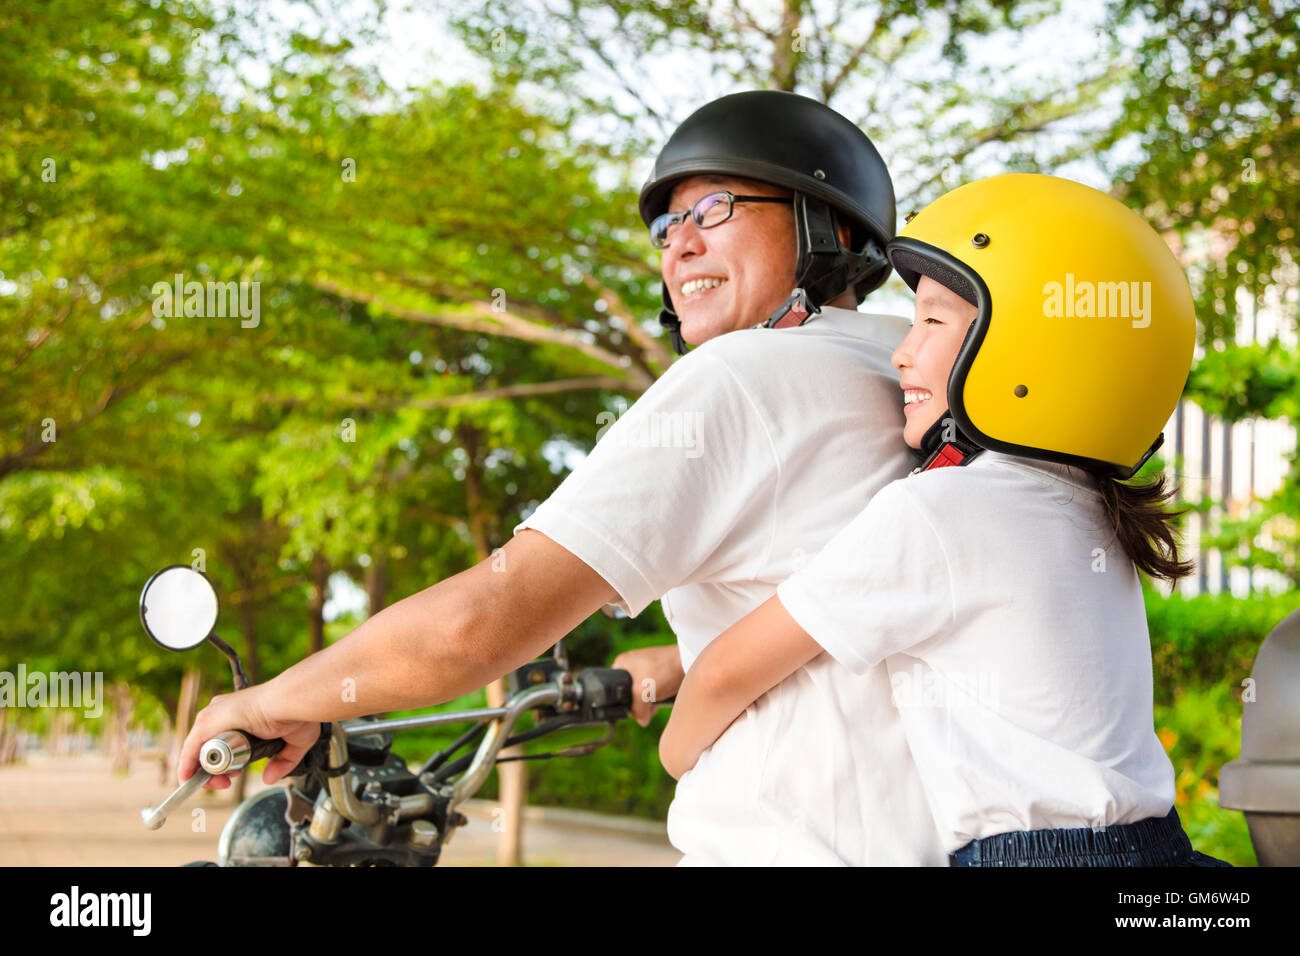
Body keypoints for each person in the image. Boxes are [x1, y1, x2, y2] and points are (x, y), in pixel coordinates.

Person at [179, 90, 948, 865]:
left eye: (714, 208)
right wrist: (687, 658)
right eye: (665, 226)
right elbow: (856, 592)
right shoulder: (910, 368)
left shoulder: (744, 373)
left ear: (834, 228)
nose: (679, 245)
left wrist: (270, 702)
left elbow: (482, 622)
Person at [658, 172, 1231, 867]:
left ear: (1033, 348)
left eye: (931, 320)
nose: (901, 350)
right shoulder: (1083, 507)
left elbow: (725, 673)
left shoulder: (946, 508)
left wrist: (677, 752)